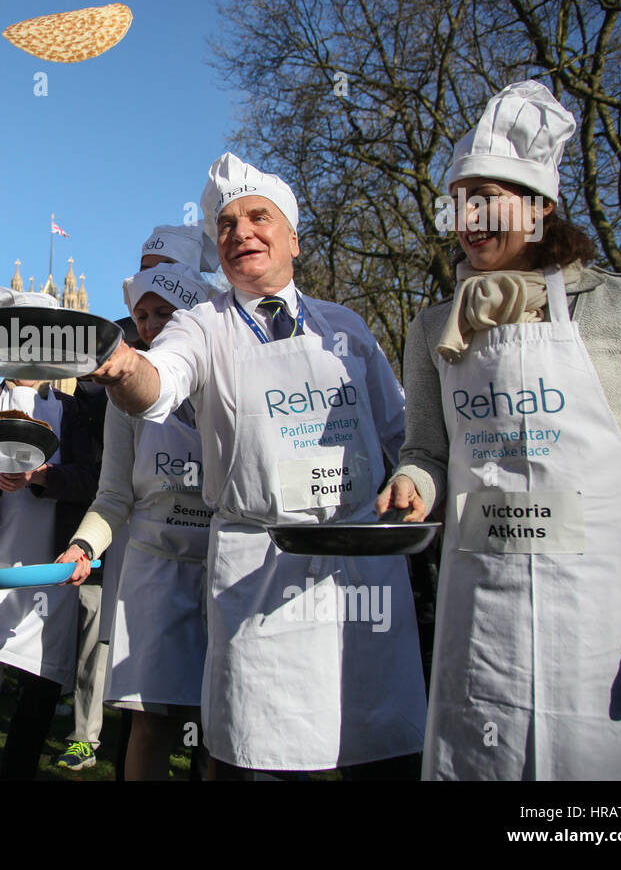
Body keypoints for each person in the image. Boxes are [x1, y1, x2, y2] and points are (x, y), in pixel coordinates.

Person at [375, 80, 621, 780]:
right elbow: (428, 449)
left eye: (490, 197)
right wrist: (411, 480)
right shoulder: (434, 326)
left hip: (607, 624)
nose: (472, 216)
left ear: (541, 207)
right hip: (483, 618)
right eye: (461, 200)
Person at [90, 152, 428, 779]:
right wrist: (125, 368)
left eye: (259, 218)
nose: (241, 232)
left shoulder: (347, 330)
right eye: (226, 224)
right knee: (257, 754)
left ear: (293, 238)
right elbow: (160, 381)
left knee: (369, 748)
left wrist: (413, 479)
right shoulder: (201, 325)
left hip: (360, 570)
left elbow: (405, 435)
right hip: (258, 571)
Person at [55, 224, 216, 773]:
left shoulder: (227, 376)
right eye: (142, 316)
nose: (148, 327)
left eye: (162, 314)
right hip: (150, 572)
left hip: (223, 570)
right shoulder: (120, 393)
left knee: (220, 724)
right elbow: (114, 495)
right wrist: (83, 545)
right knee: (151, 718)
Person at [0, 287, 99, 780]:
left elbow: (96, 481)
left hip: (50, 577)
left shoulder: (76, 414)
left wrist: (44, 477)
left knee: (35, 707)